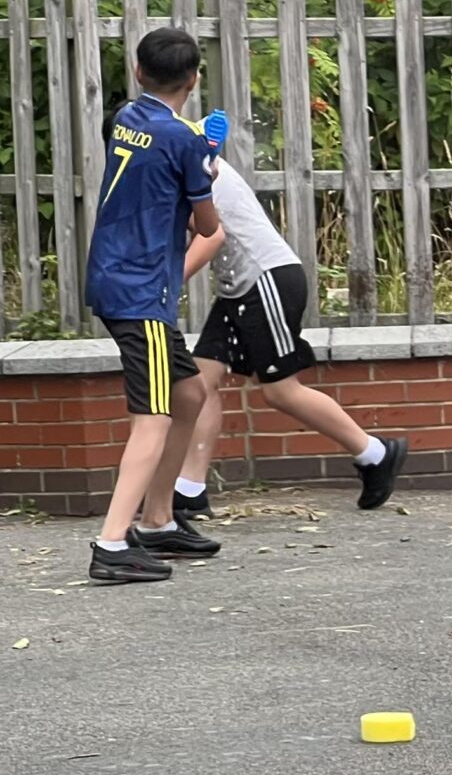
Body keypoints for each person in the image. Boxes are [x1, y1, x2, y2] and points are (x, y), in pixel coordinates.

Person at [171, 156, 407, 514]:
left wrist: (168, 284)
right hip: (240, 287)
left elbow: (211, 234)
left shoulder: (184, 160)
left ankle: (375, 454)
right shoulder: (183, 153)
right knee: (200, 382)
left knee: (281, 391)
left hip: (266, 280)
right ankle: (190, 489)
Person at [84, 26, 224, 585]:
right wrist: (208, 168)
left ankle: (160, 519)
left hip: (114, 278)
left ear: (139, 72)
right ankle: (112, 543)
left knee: (189, 393)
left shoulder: (125, 119)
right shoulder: (185, 141)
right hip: (144, 293)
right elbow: (207, 226)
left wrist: (197, 157)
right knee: (154, 418)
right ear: (193, 80)